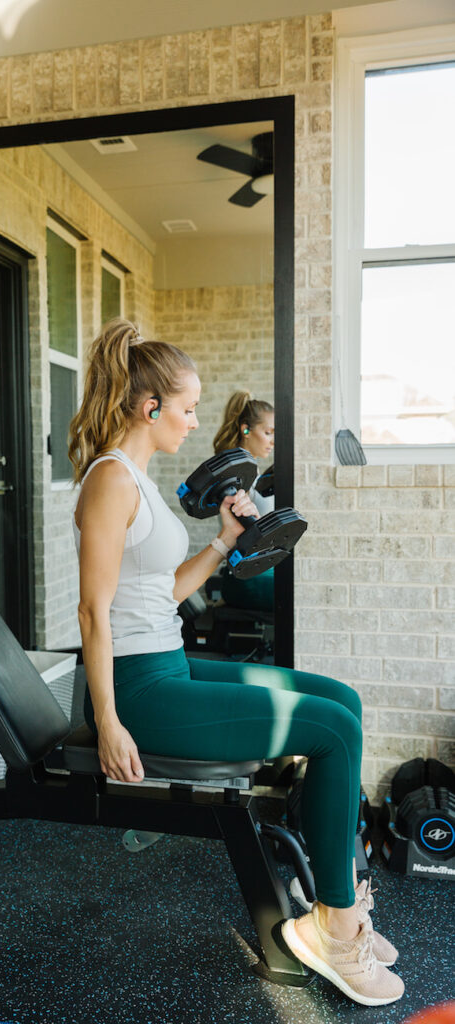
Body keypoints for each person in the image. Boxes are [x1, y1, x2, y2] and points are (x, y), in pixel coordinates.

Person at [68, 318, 403, 1008]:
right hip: (141, 690)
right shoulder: (110, 481)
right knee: (331, 733)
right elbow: (92, 613)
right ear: (148, 405)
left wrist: (222, 541)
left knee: (338, 699)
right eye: (187, 408)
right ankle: (336, 929)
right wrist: (107, 722)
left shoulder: (135, 477)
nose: (194, 423)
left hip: (169, 664)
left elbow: (157, 593)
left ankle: (331, 891)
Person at [213, 390, 276, 619]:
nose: (272, 441)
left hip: (260, 570)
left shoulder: (252, 471)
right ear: (246, 429)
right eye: (268, 432)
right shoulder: (238, 472)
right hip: (246, 577)